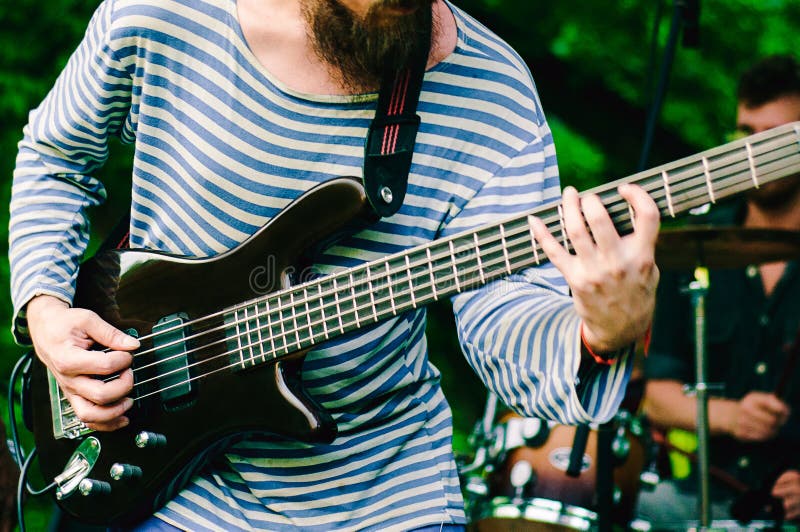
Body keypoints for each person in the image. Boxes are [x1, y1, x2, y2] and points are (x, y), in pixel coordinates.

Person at [8, 0, 660, 529]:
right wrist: (44, 308)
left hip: (379, 497)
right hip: (161, 478)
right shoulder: (161, 13)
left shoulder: (496, 96)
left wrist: (596, 338)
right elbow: (57, 161)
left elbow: (504, 324)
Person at [638, 53, 800, 526]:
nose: (753, 153)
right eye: (745, 135)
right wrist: (731, 416)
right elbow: (656, 397)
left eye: (772, 139)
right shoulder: (695, 248)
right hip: (699, 496)